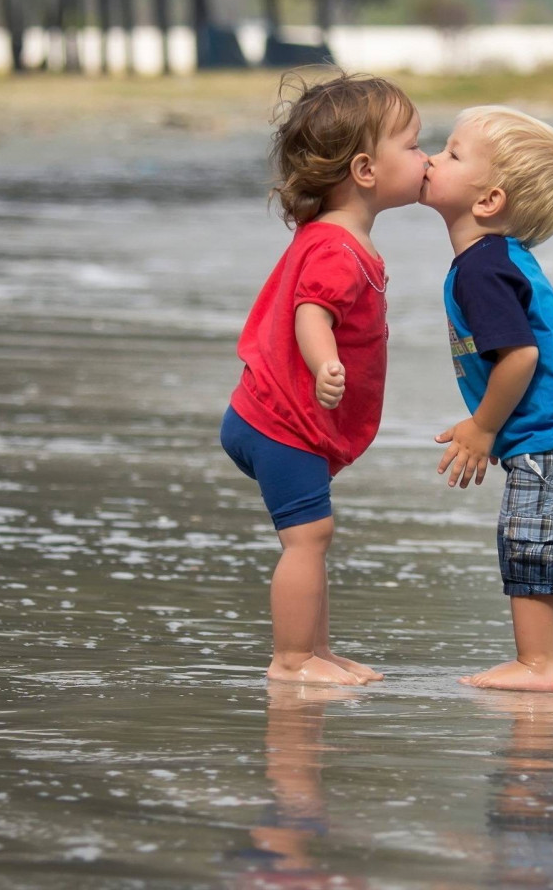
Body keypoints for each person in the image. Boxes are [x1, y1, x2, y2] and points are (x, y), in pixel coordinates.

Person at [221, 72, 428, 686]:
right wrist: (325, 363)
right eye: (414, 146)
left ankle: (319, 651)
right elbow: (312, 312)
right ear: (365, 170)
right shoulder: (338, 247)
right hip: (281, 421)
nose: (425, 159)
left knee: (312, 538)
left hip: (272, 414)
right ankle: (292, 660)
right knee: (309, 538)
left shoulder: (340, 238)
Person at [421, 106, 553, 692]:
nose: (434, 158)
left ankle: (537, 666)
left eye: (453, 153)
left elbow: (520, 357)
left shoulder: (481, 268)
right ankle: (546, 662)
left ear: (488, 201)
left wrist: (482, 429)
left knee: (531, 542)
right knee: (548, 550)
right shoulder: (495, 260)